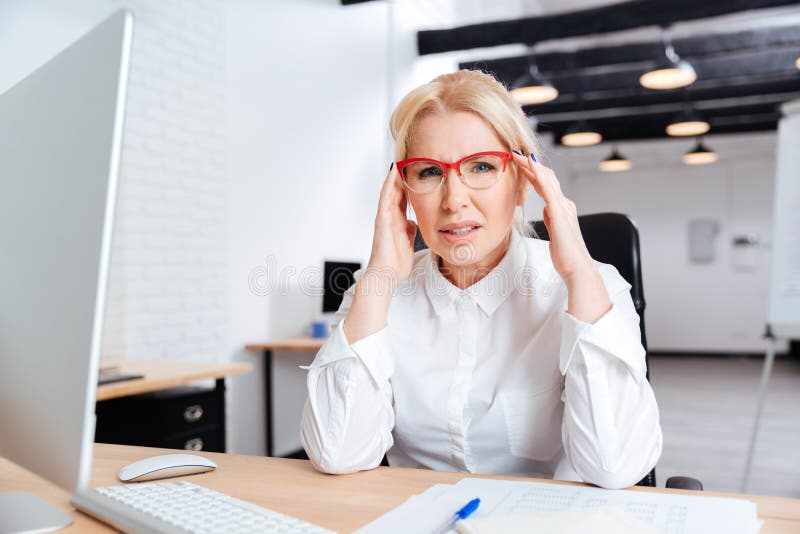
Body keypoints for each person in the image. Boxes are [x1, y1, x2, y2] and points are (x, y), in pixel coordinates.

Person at [300, 69, 661, 489]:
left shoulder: (593, 287)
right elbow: (338, 454)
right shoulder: (375, 291)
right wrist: (379, 278)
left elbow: (613, 468)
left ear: (522, 182)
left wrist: (579, 272)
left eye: (482, 166)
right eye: (428, 172)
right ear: (403, 190)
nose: (454, 200)